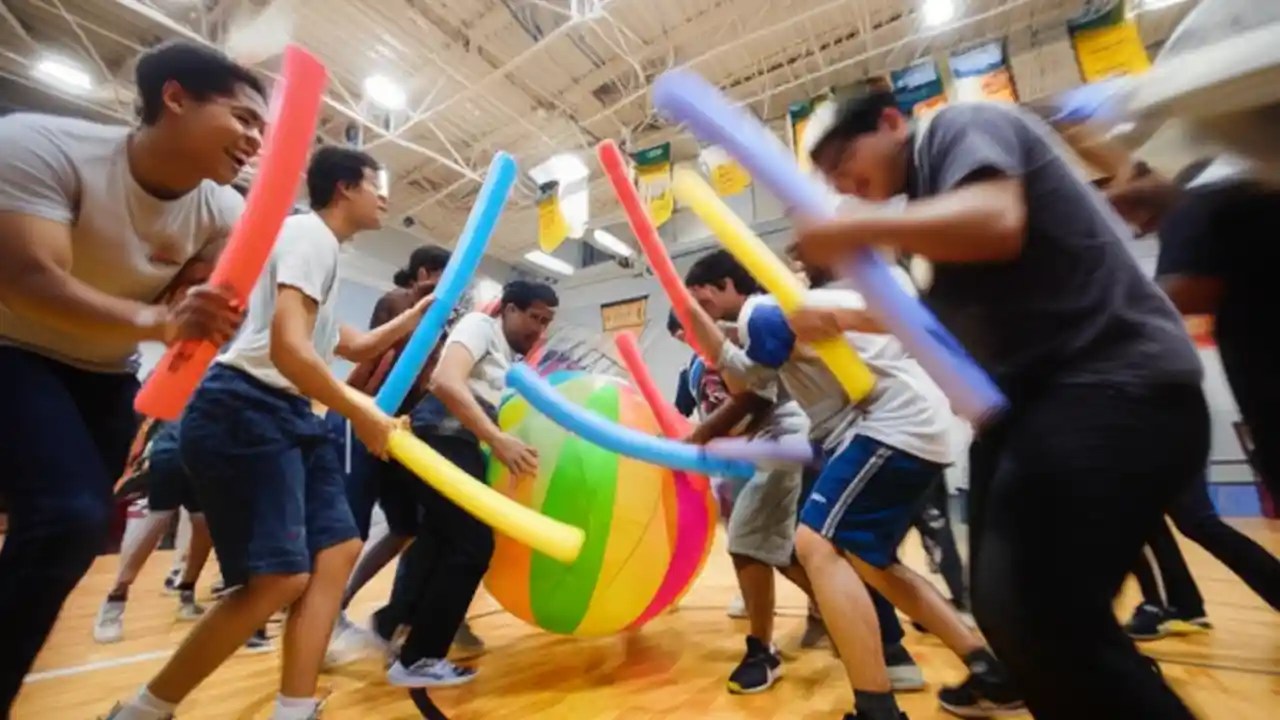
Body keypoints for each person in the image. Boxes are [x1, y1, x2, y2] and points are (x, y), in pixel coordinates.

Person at [795, 90, 1209, 719]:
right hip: (1035, 409)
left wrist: (856, 226)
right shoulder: (925, 223)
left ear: (890, 122)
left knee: (1042, 617)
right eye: (832, 182)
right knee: (1010, 616)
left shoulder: (959, 126)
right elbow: (933, 323)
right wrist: (844, 317)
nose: (846, 186)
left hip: (1113, 384)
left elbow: (996, 220)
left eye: (847, 163)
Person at [104, 146, 433, 720]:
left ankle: (294, 708)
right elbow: (287, 350)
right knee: (279, 579)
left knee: (338, 552)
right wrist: (364, 413)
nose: (384, 196)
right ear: (343, 189)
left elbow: (350, 346)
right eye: (375, 185)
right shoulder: (309, 237)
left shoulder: (323, 251)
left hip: (292, 418)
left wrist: (420, 313)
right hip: (247, 409)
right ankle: (142, 710)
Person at [0, 40, 264, 712]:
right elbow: (28, 281)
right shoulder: (40, 144)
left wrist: (192, 317)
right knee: (65, 517)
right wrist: (162, 322)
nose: (255, 140)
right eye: (242, 118)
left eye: (262, 126)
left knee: (78, 532)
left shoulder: (226, 212)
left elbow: (186, 310)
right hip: (11, 347)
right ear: (174, 98)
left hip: (103, 376)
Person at [1104, 159, 1280, 635]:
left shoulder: (1206, 206)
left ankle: (1168, 603)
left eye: (1138, 216)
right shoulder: (1221, 207)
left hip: (1154, 407)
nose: (1140, 227)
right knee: (1165, 519)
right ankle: (1178, 601)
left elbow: (1180, 295)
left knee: (1182, 519)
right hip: (1157, 405)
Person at [374, 280, 558, 687]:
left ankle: (392, 625)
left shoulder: (509, 358)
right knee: (473, 544)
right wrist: (497, 439)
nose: (538, 329)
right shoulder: (479, 325)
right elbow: (444, 381)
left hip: (459, 443)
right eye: (533, 317)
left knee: (439, 540)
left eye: (546, 322)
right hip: (441, 436)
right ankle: (420, 657)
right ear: (508, 309)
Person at [94, 417, 214, 642]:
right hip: (172, 453)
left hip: (209, 456)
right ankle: (115, 598)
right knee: (157, 521)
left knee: (205, 526)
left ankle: (186, 591)